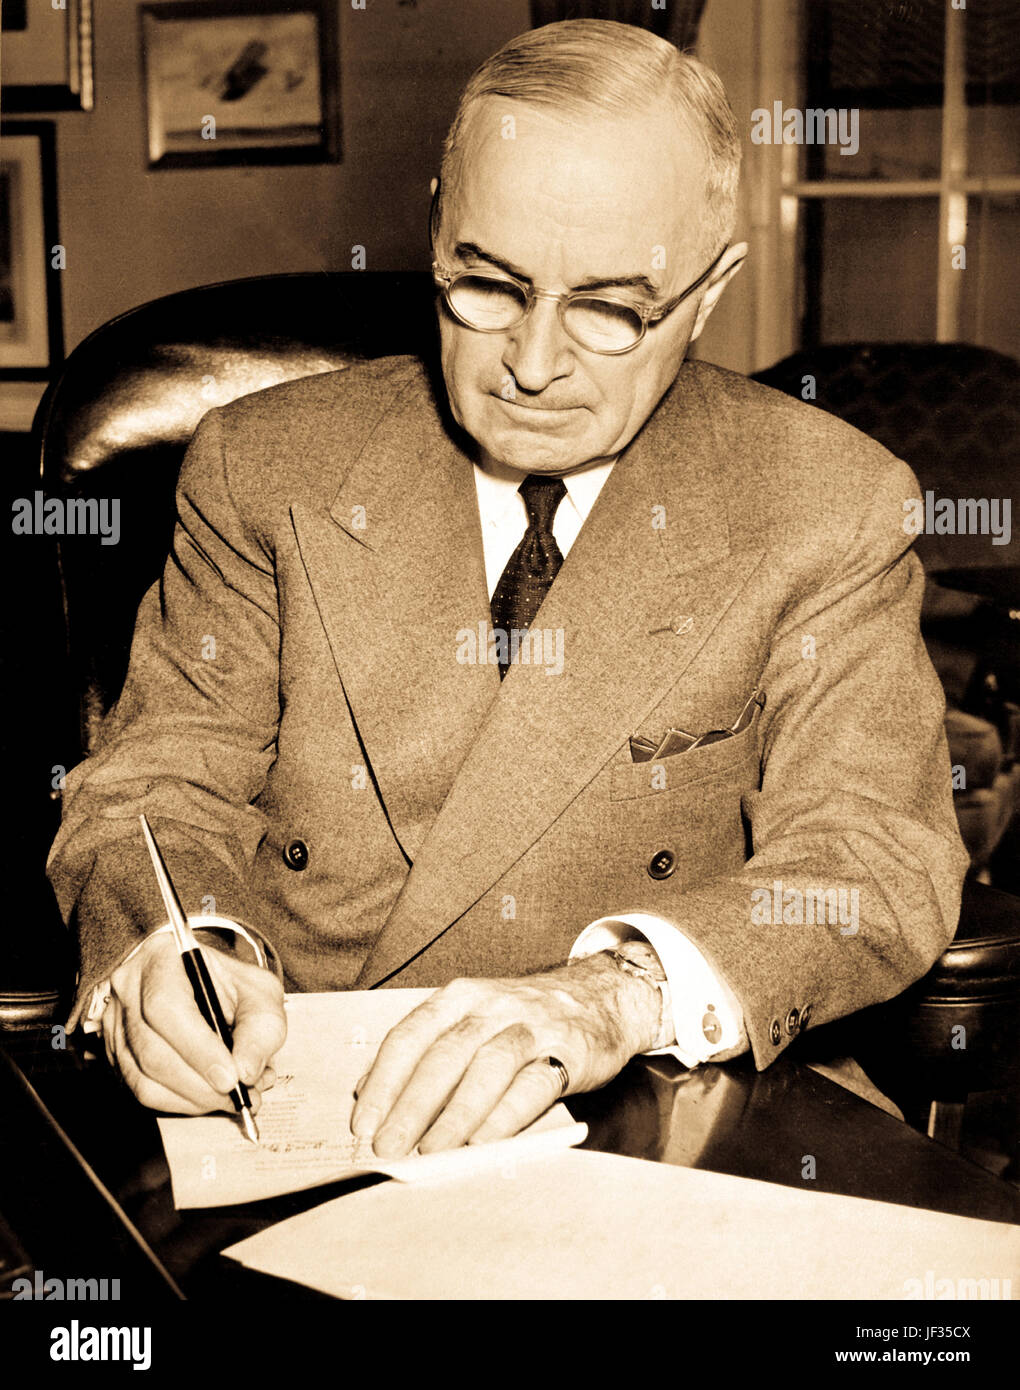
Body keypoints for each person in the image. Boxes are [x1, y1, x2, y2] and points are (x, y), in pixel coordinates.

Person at [48, 20, 967, 1157]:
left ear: (714, 286)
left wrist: (614, 993)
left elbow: (872, 860)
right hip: (301, 1109)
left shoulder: (827, 499)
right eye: (487, 284)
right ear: (436, 226)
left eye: (611, 308)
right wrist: (177, 951)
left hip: (674, 1103)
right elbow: (159, 780)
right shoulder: (263, 466)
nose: (531, 363)